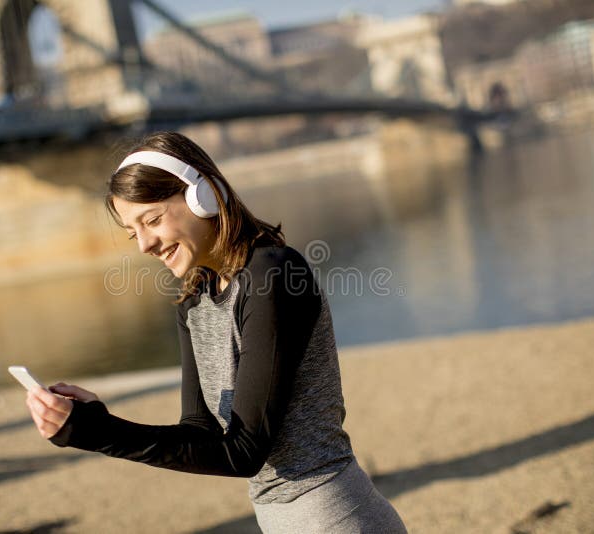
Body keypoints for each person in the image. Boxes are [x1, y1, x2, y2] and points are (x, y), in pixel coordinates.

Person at [24, 131, 407, 533]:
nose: (144, 245)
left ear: (204, 194)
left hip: (336, 517)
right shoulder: (193, 300)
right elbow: (199, 433)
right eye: (133, 232)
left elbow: (244, 452)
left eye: (152, 220)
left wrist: (98, 434)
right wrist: (98, 420)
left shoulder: (274, 274)